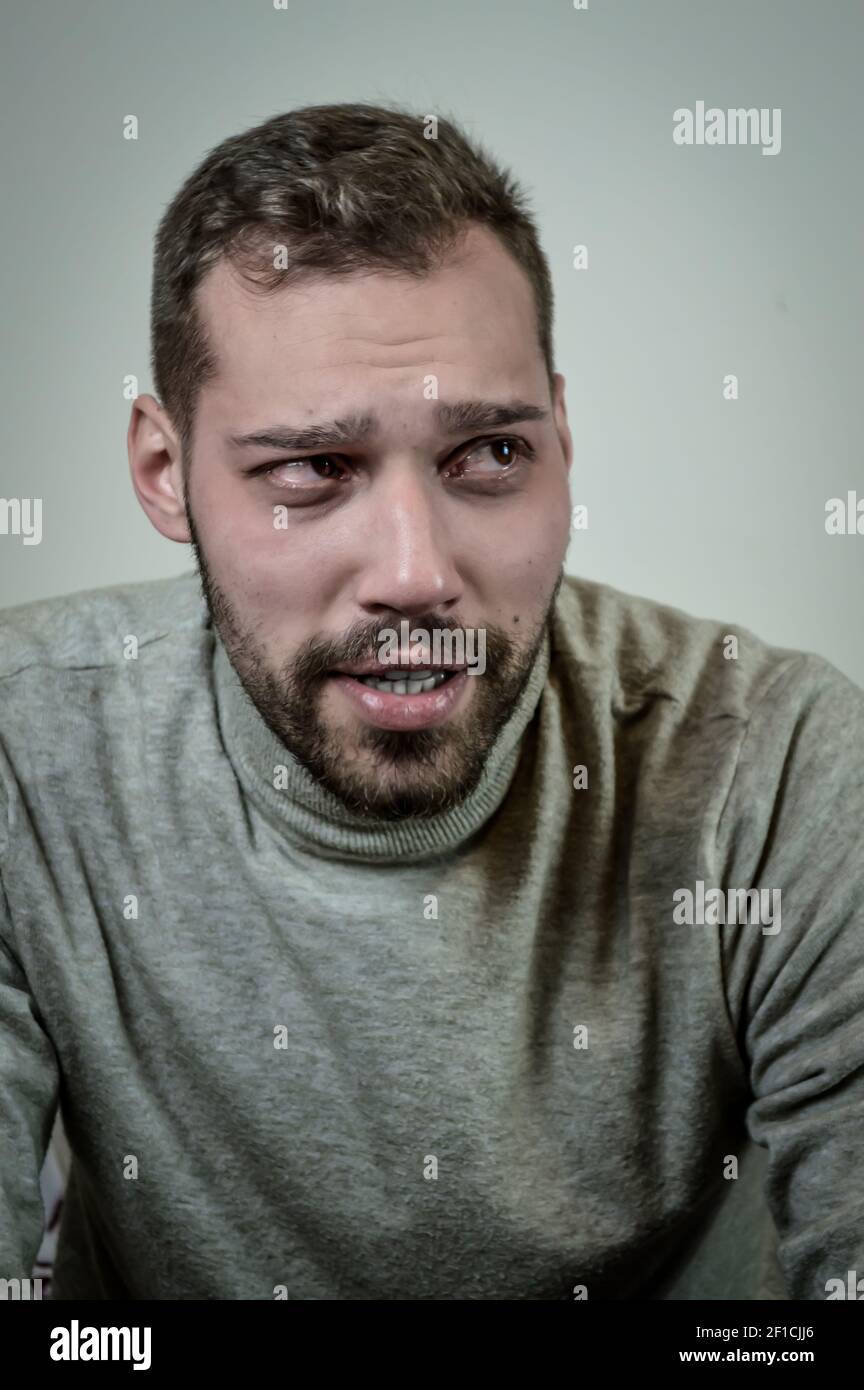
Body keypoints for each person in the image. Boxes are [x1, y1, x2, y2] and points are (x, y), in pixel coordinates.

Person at [1, 102, 861, 1301]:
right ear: (165, 471)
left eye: (488, 455)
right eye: (312, 468)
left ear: (561, 437)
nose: (415, 571)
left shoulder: (779, 766)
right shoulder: (26, 757)